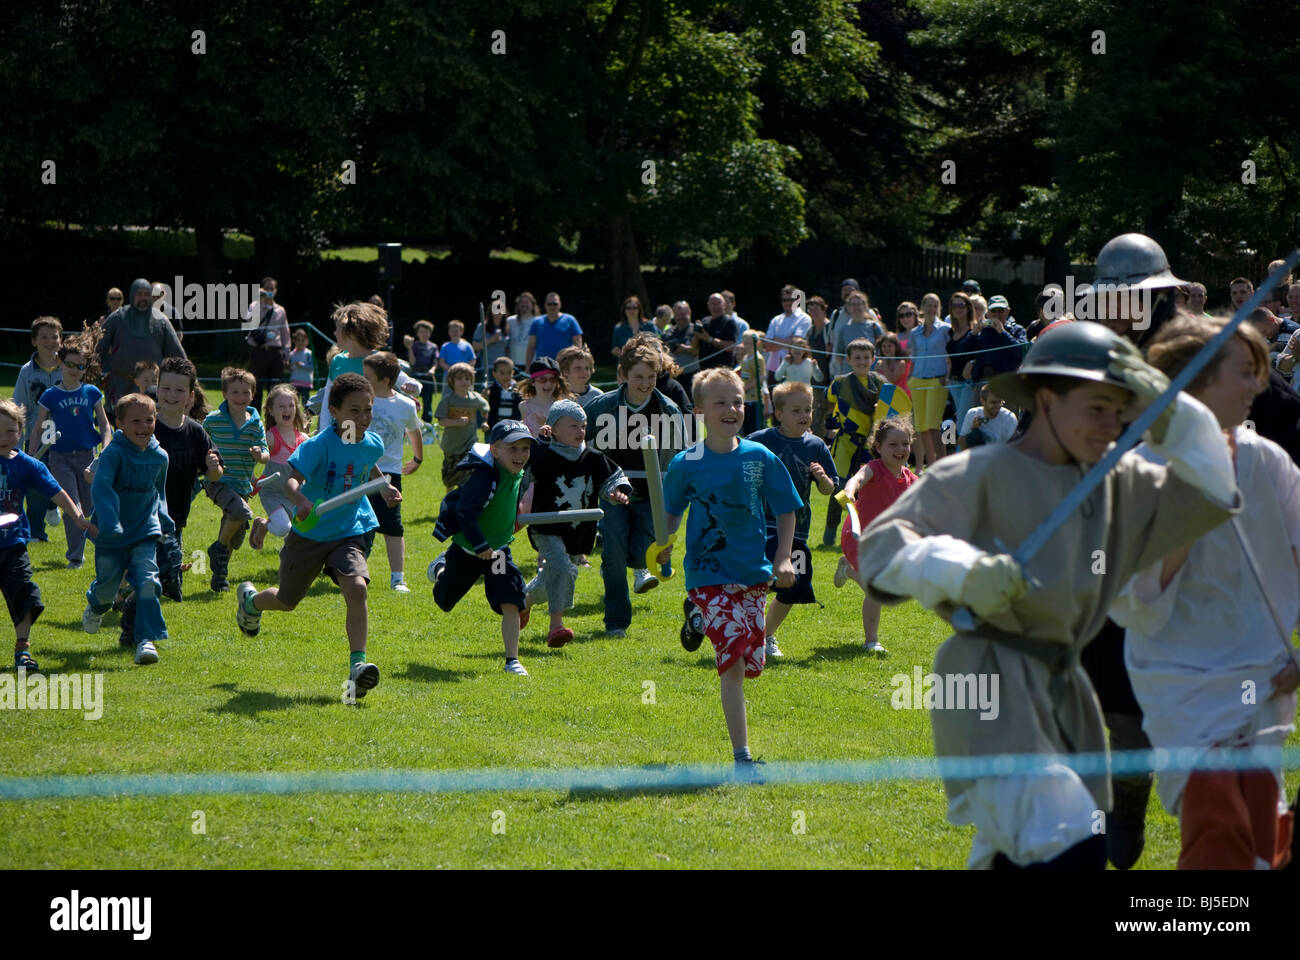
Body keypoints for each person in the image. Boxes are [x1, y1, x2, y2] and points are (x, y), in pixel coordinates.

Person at [855, 321, 1241, 870]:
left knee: (1017, 853)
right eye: (1095, 407)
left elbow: (1213, 492)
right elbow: (882, 552)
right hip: (986, 683)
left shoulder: (1118, 482)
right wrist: (958, 570)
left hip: (1066, 694)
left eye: (1121, 409)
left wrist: (1177, 411)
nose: (1112, 423)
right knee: (1065, 845)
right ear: (1046, 399)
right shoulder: (980, 470)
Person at [1108, 314, 1297, 870]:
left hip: (1263, 685)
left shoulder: (1267, 460)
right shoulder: (1138, 473)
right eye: (1243, 372)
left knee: (1263, 839)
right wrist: (1190, 507)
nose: (1256, 386)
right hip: (1183, 687)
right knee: (1219, 835)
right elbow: (1133, 605)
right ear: (1193, 382)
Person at [661, 367, 801, 773]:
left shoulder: (760, 457)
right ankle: (743, 757)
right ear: (701, 411)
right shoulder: (686, 464)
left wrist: (784, 557)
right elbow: (669, 515)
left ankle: (698, 619)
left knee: (753, 662)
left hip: (754, 574)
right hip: (707, 575)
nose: (731, 409)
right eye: (720, 402)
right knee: (734, 662)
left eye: (737, 401)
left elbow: (786, 508)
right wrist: (662, 542)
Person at [234, 373, 401, 700]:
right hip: (311, 532)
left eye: (368, 410)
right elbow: (291, 482)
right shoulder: (318, 445)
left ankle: (358, 667)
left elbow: (369, 466)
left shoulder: (371, 442)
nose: (363, 418)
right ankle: (251, 603)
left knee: (356, 588)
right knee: (286, 600)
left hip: (350, 529)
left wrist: (386, 488)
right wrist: (301, 502)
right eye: (355, 411)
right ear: (335, 411)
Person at [117, 358, 222, 649]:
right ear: (157, 389)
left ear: (190, 396)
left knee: (163, 577)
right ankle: (140, 633)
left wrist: (213, 466)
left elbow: (213, 474)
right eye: (166, 388)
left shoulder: (196, 432)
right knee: (160, 570)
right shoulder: (145, 427)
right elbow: (117, 453)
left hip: (174, 517)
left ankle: (128, 617)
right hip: (140, 514)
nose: (171, 395)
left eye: (179, 390)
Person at [586, 341, 689, 634]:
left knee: (641, 554)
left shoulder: (668, 410)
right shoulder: (603, 405)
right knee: (614, 556)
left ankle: (642, 566)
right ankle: (616, 622)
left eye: (651, 377)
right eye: (638, 377)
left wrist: (672, 513)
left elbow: (677, 463)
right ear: (623, 375)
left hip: (652, 497)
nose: (645, 384)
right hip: (614, 494)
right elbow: (577, 433)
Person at [428, 419, 536, 676]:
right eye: (513, 449)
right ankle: (441, 568)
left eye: (525, 448)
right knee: (445, 600)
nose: (520, 455)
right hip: (468, 551)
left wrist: (544, 435)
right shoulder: (484, 479)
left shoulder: (517, 467)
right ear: (494, 451)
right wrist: (480, 545)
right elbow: (465, 513)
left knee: (511, 599)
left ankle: (512, 661)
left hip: (498, 553)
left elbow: (542, 450)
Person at [522, 400, 632, 647]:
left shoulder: (592, 457)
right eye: (573, 426)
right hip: (546, 526)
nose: (580, 431)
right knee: (562, 568)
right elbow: (521, 475)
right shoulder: (544, 455)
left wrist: (617, 492)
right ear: (554, 428)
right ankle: (556, 627)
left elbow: (613, 477)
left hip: (577, 531)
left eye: (583, 426)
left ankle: (524, 600)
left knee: (554, 574)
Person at [0, 399, 95, 673]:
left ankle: (22, 648)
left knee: (26, 596)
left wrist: (77, 517)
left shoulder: (28, 466)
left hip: (14, 544)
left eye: (9, 431)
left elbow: (57, 492)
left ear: (20, 432)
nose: (3, 438)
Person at [82, 393, 174, 666]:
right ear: (120, 423)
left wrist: (164, 518)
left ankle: (146, 639)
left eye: (149, 420)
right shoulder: (113, 454)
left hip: (145, 530)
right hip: (110, 534)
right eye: (135, 421)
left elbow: (158, 490)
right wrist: (109, 522)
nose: (144, 426)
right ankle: (97, 604)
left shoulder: (160, 456)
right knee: (107, 589)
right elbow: (101, 487)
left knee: (148, 582)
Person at [747, 381, 837, 658]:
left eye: (808, 410)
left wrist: (822, 478)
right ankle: (749, 634)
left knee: (794, 583)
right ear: (779, 412)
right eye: (796, 410)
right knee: (760, 580)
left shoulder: (816, 445)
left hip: (798, 528)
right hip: (762, 523)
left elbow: (829, 488)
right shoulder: (760, 440)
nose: (804, 416)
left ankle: (766, 634)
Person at [834, 416, 917, 653]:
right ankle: (872, 641)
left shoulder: (910, 478)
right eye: (893, 444)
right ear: (878, 447)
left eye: (905, 444)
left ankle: (848, 569)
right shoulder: (874, 468)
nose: (900, 449)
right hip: (858, 536)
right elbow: (857, 479)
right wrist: (850, 490)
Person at [27, 339, 111, 569]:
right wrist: (31, 457)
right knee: (72, 506)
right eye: (70, 364)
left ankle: (107, 548)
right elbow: (37, 429)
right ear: (60, 363)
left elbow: (104, 426)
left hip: (88, 457)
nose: (75, 370)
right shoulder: (50, 395)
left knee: (91, 506)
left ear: (86, 368)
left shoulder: (92, 392)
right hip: (60, 458)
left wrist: (105, 448)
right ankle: (75, 556)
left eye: (80, 366)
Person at [202, 368, 270, 592]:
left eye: (245, 393)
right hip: (218, 481)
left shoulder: (256, 424)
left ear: (252, 395)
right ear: (224, 394)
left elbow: (265, 452)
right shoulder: (213, 421)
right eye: (235, 393)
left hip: (242, 485)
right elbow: (200, 445)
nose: (240, 398)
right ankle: (218, 548)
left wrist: (260, 456)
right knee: (241, 513)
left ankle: (220, 574)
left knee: (234, 537)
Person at [360, 352, 423, 593]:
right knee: (361, 522)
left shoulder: (405, 405)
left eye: (367, 376)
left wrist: (418, 458)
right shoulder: (361, 400)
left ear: (385, 380)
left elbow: (414, 432)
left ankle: (398, 578)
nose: (363, 380)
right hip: (360, 470)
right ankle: (356, 571)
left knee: (392, 526)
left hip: (389, 473)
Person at [320, 301, 420, 433]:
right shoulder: (337, 361)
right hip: (344, 432)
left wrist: (413, 385)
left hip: (373, 432)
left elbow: (411, 384)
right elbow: (328, 400)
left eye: (337, 329)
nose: (334, 333)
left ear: (351, 332)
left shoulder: (378, 360)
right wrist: (323, 432)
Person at [821, 339, 883, 545]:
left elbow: (891, 410)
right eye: (857, 357)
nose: (862, 361)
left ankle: (863, 532)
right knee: (839, 487)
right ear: (848, 360)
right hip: (846, 442)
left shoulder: (881, 384)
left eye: (866, 357)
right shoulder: (841, 383)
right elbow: (828, 396)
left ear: (873, 359)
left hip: (870, 445)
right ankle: (830, 531)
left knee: (866, 488)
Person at [96, 279, 186, 413]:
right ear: (132, 295)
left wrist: (187, 382)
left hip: (150, 387)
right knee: (121, 426)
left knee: (150, 423)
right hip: (119, 385)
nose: (143, 298)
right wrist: (97, 375)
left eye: (146, 294)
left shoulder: (161, 321)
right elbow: (98, 350)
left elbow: (179, 356)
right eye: (139, 294)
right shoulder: (117, 318)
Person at [12, 317, 66, 541]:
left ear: (61, 340)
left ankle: (53, 504)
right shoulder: (27, 371)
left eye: (54, 337)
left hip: (65, 435)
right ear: (34, 341)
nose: (49, 341)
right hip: (37, 434)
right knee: (34, 485)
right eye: (43, 337)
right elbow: (19, 407)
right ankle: (36, 532)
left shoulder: (68, 368)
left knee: (62, 478)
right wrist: (16, 445)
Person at [248, 383, 310, 551]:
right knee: (283, 528)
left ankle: (288, 559)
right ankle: (263, 526)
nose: (286, 410)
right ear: (270, 411)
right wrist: (251, 478)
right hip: (272, 493)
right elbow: (249, 460)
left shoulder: (303, 439)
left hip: (295, 495)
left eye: (291, 405)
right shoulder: (270, 437)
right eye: (281, 406)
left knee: (299, 534)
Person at [905, 299, 950, 475]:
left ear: (939, 308)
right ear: (922, 308)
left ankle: (942, 464)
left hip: (936, 380)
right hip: (917, 379)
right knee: (921, 425)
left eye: (934, 305)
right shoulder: (915, 332)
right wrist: (910, 378)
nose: (931, 309)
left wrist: (946, 376)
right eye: (928, 305)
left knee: (933, 424)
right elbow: (914, 355)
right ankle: (930, 465)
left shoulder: (945, 329)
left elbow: (950, 353)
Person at [435, 362, 490, 490]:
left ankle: (464, 495)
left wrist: (484, 421)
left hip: (469, 443)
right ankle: (450, 495)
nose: (464, 381)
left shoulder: (475, 398)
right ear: (451, 380)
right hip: (451, 445)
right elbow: (441, 420)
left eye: (467, 378)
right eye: (459, 378)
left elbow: (485, 407)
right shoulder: (448, 400)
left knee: (468, 472)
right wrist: (456, 422)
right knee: (450, 476)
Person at [243, 278, 290, 414]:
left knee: (275, 389)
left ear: (275, 291)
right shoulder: (254, 306)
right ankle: (255, 418)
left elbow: (285, 333)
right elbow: (248, 323)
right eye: (266, 288)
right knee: (256, 388)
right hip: (258, 351)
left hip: (275, 352)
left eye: (272, 289)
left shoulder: (280, 310)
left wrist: (286, 354)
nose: (269, 291)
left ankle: (274, 419)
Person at [765, 285, 812, 387]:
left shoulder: (805, 319)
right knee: (775, 401)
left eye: (791, 299)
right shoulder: (775, 320)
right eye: (785, 300)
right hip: (774, 368)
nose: (788, 303)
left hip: (795, 368)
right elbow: (767, 346)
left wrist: (776, 340)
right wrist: (788, 341)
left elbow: (796, 343)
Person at [830, 291, 883, 378]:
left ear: (864, 306)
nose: (856, 307)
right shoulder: (843, 329)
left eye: (859, 304)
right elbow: (838, 356)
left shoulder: (874, 327)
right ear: (849, 307)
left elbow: (883, 352)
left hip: (871, 376)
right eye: (853, 304)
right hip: (849, 376)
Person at [518, 356, 571, 438]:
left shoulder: (563, 406)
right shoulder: (524, 407)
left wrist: (546, 423)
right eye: (542, 380)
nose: (548, 384)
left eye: (553, 380)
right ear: (533, 382)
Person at [525, 292, 583, 366]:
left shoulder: (570, 320)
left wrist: (572, 360)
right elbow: (531, 346)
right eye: (549, 304)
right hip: (542, 365)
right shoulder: (536, 322)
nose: (552, 306)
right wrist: (527, 366)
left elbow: (578, 344)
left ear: (560, 304)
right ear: (545, 305)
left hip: (565, 365)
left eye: (555, 304)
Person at [734, 332, 771, 435]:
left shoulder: (758, 358)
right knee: (746, 427)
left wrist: (745, 388)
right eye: (746, 343)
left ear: (757, 343)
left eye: (751, 343)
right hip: (746, 398)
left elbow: (761, 377)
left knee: (755, 428)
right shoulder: (745, 358)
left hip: (755, 398)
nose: (748, 345)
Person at [959, 385, 1018, 449]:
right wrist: (973, 430)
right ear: (982, 401)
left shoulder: (1009, 418)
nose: (998, 406)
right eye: (993, 402)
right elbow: (961, 442)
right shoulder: (972, 414)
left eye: (1000, 402)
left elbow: (1016, 447)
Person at [402, 319, 438, 423]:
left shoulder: (433, 347)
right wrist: (409, 348)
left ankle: (427, 423)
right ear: (418, 333)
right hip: (415, 376)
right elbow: (412, 363)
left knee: (428, 402)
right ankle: (411, 421)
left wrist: (432, 370)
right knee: (412, 400)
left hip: (428, 376)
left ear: (430, 333)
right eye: (422, 332)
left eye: (426, 332)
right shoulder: (414, 346)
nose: (424, 334)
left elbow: (435, 362)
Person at [694, 292, 738, 371]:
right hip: (704, 369)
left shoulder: (729, 322)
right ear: (708, 305)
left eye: (718, 303)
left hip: (723, 370)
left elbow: (731, 347)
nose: (716, 307)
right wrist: (695, 333)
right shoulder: (704, 321)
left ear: (724, 305)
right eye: (713, 304)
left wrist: (710, 339)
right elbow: (695, 347)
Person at [661, 301, 699, 392]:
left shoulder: (696, 330)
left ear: (689, 313)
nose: (680, 317)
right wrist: (684, 349)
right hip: (673, 378)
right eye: (677, 315)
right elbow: (663, 351)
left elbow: (695, 351)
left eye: (683, 314)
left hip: (692, 376)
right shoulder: (668, 332)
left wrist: (681, 348)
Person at [437, 320, 476, 389]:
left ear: (461, 332)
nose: (454, 333)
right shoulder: (445, 346)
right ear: (449, 332)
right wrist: (453, 370)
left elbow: (473, 360)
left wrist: (465, 369)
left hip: (466, 376)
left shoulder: (467, 345)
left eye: (456, 331)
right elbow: (442, 362)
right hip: (449, 376)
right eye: (452, 331)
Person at [506, 292, 541, 369]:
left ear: (532, 305)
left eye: (527, 302)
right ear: (518, 305)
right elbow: (506, 343)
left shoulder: (538, 321)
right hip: (513, 365)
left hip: (532, 364)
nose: (524, 304)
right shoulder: (510, 321)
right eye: (521, 302)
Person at [486, 356, 523, 428]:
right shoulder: (490, 389)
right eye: (502, 373)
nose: (506, 376)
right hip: (494, 426)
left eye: (509, 373)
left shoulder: (517, 390)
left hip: (513, 425)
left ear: (513, 373)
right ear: (494, 374)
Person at [472, 306, 510, 374]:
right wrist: (490, 340)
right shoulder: (482, 326)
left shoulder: (507, 327)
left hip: (502, 368)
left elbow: (507, 349)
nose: (498, 313)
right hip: (486, 367)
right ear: (491, 312)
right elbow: (475, 346)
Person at [289, 328, 316, 408]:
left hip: (305, 383)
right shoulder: (291, 354)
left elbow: (312, 368)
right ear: (294, 341)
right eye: (298, 340)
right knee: (294, 404)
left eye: (302, 340)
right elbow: (290, 369)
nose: (300, 342)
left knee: (305, 404)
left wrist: (302, 365)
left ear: (306, 341)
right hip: (294, 383)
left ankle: (307, 419)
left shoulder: (308, 353)